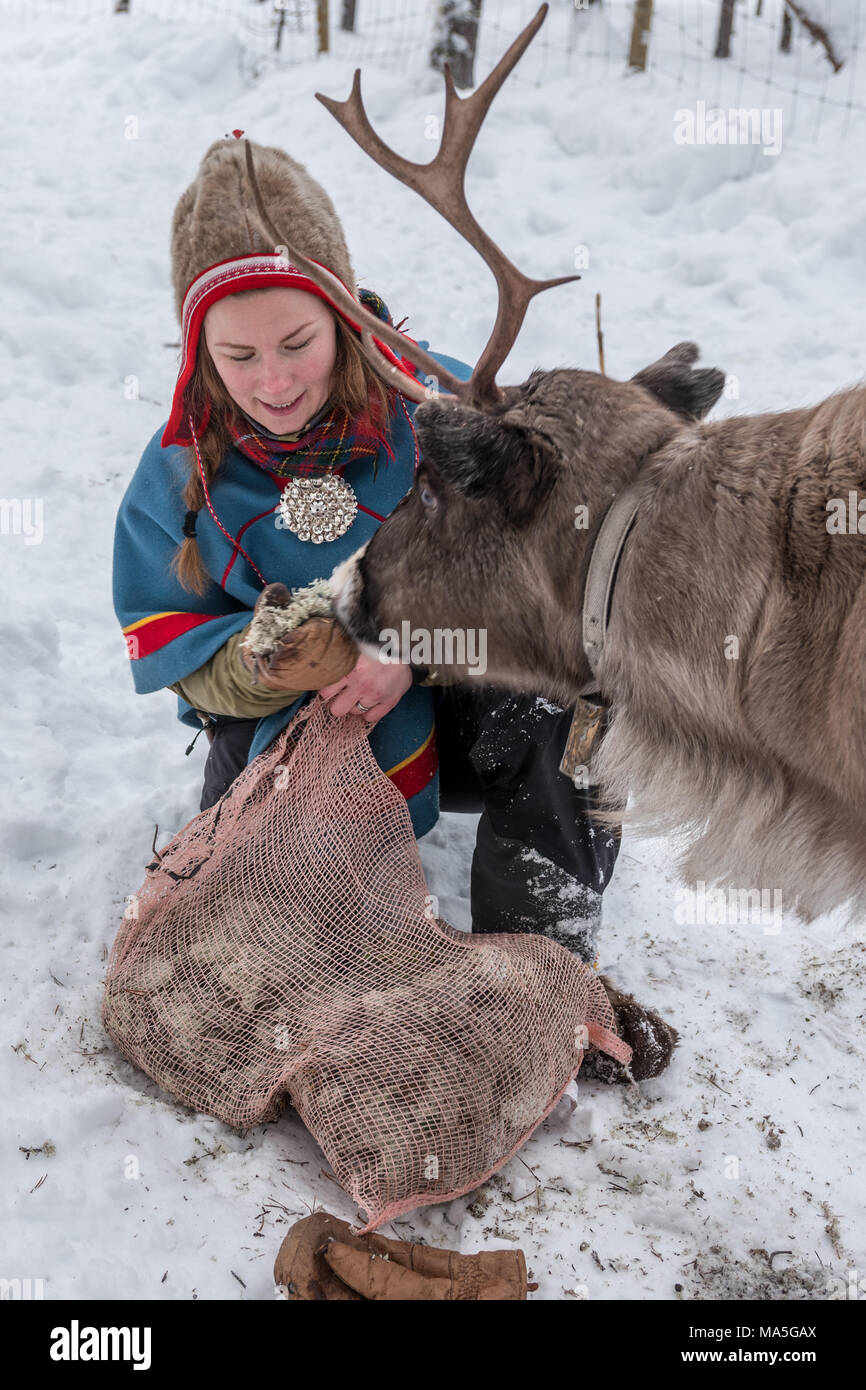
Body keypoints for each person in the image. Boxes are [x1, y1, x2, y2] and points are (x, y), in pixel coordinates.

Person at [112, 135, 621, 994]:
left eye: (297, 343)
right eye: (237, 357)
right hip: (298, 738)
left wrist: (411, 646)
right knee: (261, 954)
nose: (272, 382)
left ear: (346, 317)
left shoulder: (445, 408)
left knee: (553, 701)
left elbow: (566, 579)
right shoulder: (181, 474)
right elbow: (190, 666)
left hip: (465, 716)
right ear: (199, 350)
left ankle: (541, 977)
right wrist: (279, 662)